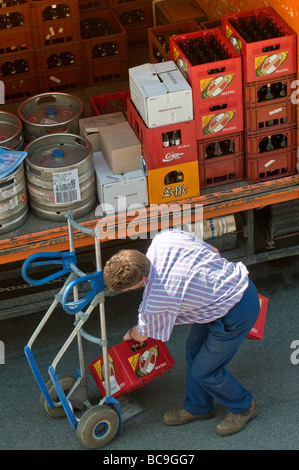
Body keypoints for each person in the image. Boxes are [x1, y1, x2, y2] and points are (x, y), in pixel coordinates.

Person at [103, 229, 261, 436]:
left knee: (205, 371)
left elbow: (143, 334)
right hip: (225, 294)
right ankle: (198, 407)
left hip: (236, 311)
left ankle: (244, 407)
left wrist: (131, 333)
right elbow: (213, 250)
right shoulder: (165, 238)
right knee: (193, 350)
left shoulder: (156, 301)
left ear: (137, 284)